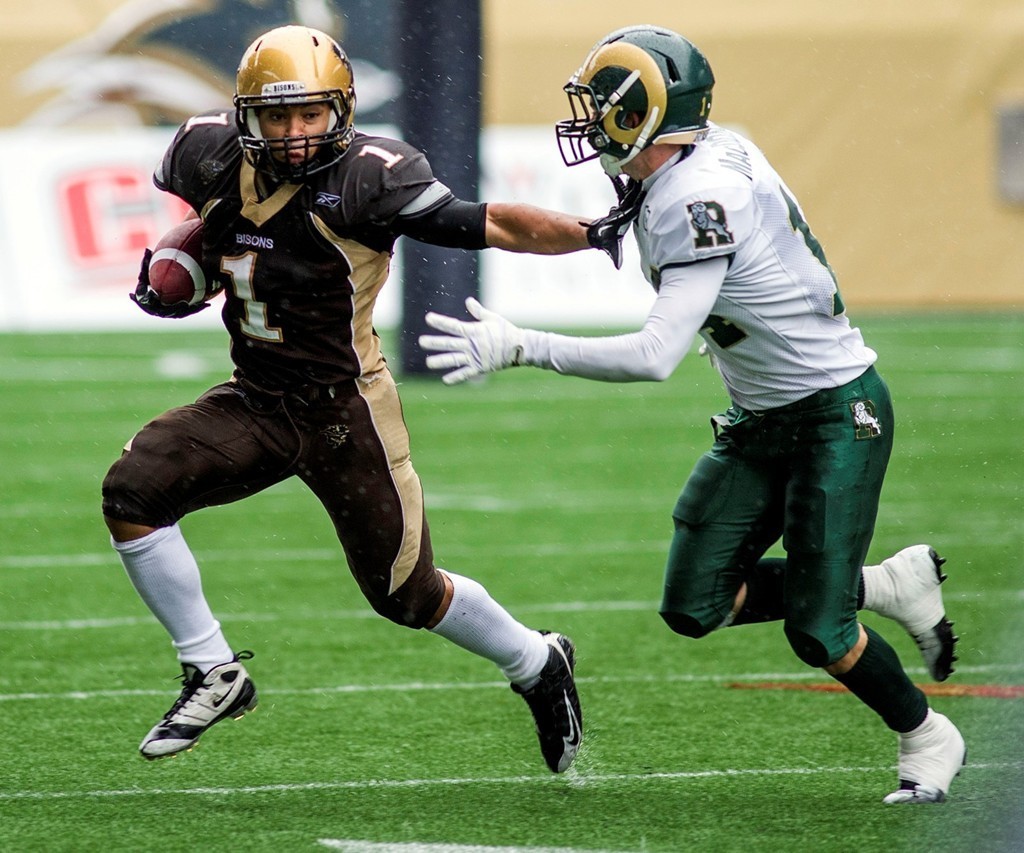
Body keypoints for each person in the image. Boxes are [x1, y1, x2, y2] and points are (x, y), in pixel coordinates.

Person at [419, 25, 965, 803]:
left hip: (836, 411)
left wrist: (523, 345)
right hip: (763, 415)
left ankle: (926, 733)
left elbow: (654, 354)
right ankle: (884, 583)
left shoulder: (697, 195)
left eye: (600, 107)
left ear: (643, 112)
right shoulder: (690, 161)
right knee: (695, 602)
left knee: (819, 629)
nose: (587, 121)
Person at [102, 24, 625, 772]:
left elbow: (489, 221)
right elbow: (216, 226)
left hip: (345, 414)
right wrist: (185, 267)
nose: (294, 133)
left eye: (310, 114)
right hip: (257, 399)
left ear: (341, 111)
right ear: (246, 116)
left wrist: (594, 232)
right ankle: (213, 669)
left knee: (406, 595)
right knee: (132, 491)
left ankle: (536, 661)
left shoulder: (370, 179)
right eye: (277, 116)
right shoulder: (207, 153)